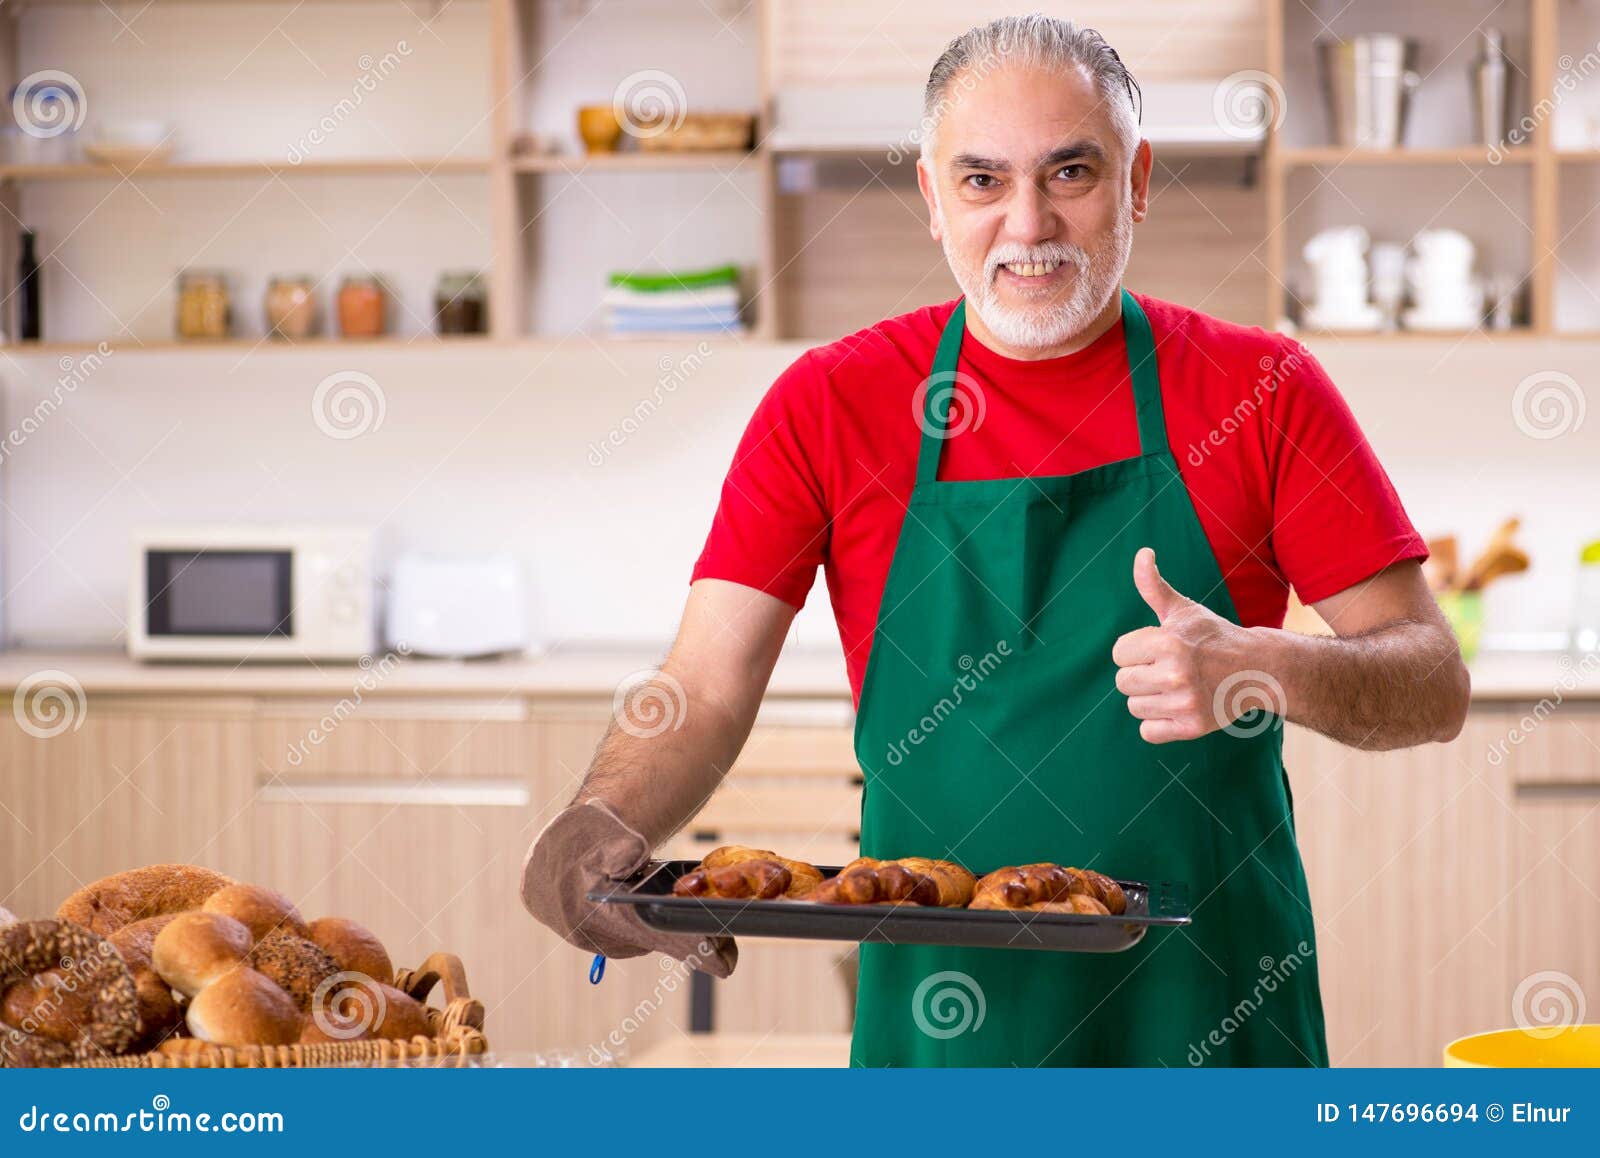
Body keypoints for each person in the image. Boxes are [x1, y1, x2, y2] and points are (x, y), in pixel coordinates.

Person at [523, 14, 1470, 1067]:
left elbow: (1431, 682)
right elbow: (701, 688)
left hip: (1213, 1019)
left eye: (1070, 171)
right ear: (933, 199)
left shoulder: (1262, 392)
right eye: (981, 180)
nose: (1028, 223)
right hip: (946, 1039)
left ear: (1136, 181)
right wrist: (599, 820)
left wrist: (1270, 665)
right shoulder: (829, 406)